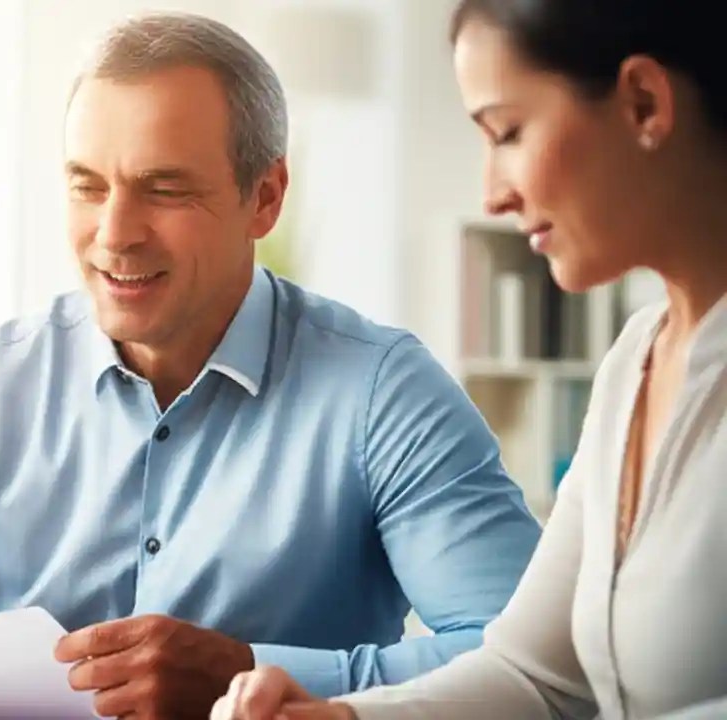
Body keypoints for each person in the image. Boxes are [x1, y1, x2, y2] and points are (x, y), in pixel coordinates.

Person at [0, 11, 542, 720]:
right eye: (87, 187)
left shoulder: (384, 392)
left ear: (264, 198)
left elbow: (528, 665)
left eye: (164, 189)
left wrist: (250, 672)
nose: (115, 234)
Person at [212, 1, 727, 719]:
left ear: (644, 102)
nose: (493, 191)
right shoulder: (634, 363)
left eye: (508, 133)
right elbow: (539, 677)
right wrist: (340, 716)